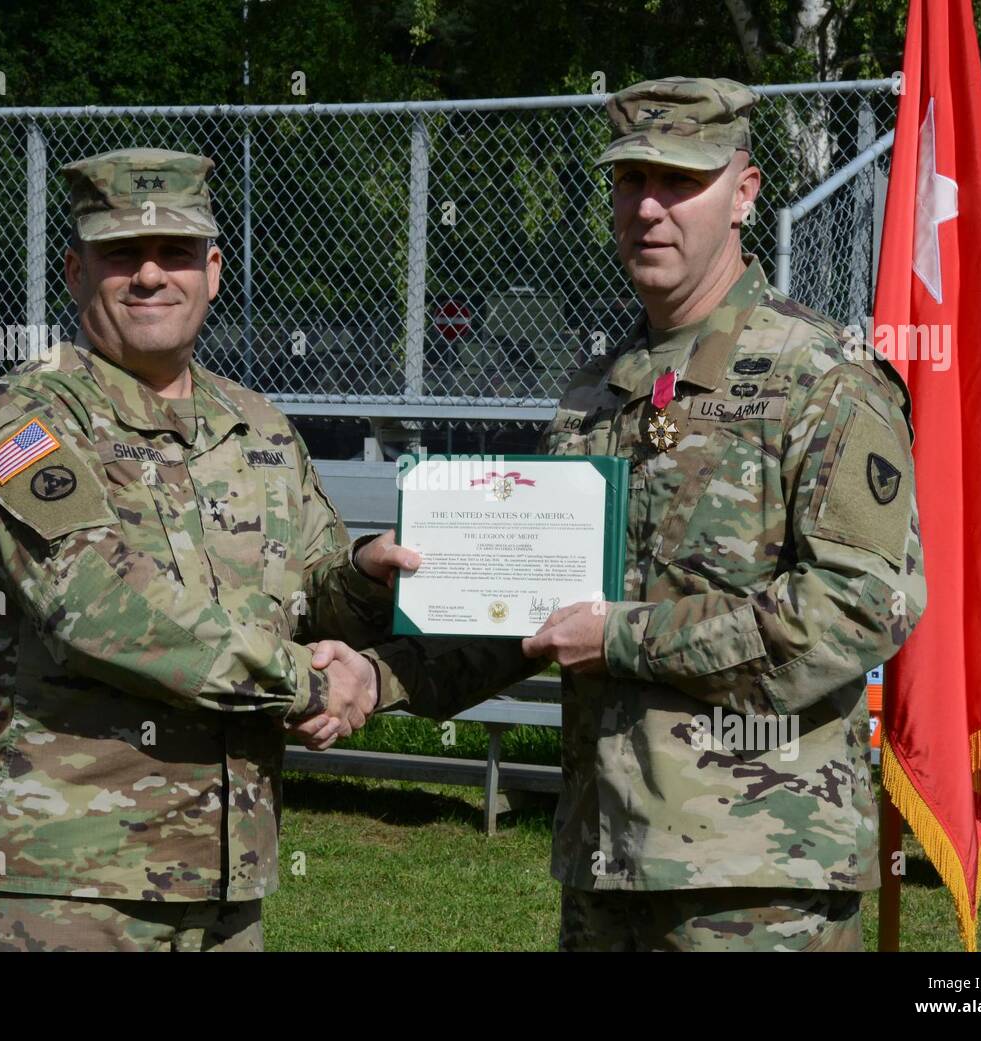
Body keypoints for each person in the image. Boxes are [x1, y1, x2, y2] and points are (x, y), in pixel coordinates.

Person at [318, 77, 928, 951]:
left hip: (756, 886)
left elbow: (863, 604)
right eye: (631, 180)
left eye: (681, 182)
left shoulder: (822, 379)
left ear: (744, 192)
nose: (650, 207)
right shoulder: (598, 394)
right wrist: (379, 677)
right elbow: (531, 612)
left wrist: (627, 637)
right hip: (606, 869)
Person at [0, 148, 417, 952]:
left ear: (213, 270)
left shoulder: (258, 428)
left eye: (175, 253)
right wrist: (309, 684)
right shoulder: (19, 423)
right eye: (122, 256)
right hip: (61, 889)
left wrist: (364, 577)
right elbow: (101, 606)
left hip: (225, 889)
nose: (151, 276)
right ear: (77, 272)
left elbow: (308, 593)